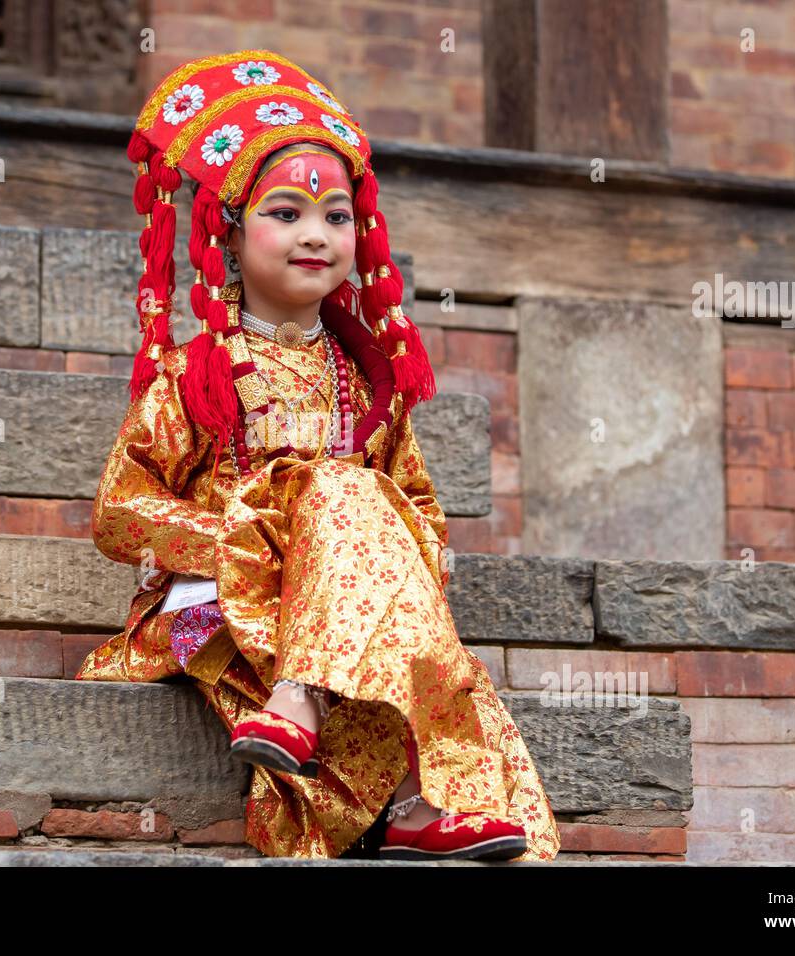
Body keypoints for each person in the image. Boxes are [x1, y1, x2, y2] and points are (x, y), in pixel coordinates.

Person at [75, 49, 560, 863]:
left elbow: (425, 514)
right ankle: (413, 798)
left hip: (345, 607)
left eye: (337, 216)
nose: (316, 234)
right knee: (343, 493)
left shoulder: (372, 385)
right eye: (287, 213)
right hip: (226, 603)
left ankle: (310, 711)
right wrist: (248, 541)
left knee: (356, 499)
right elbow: (119, 514)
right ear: (228, 234)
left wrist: (388, 560)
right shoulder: (196, 378)